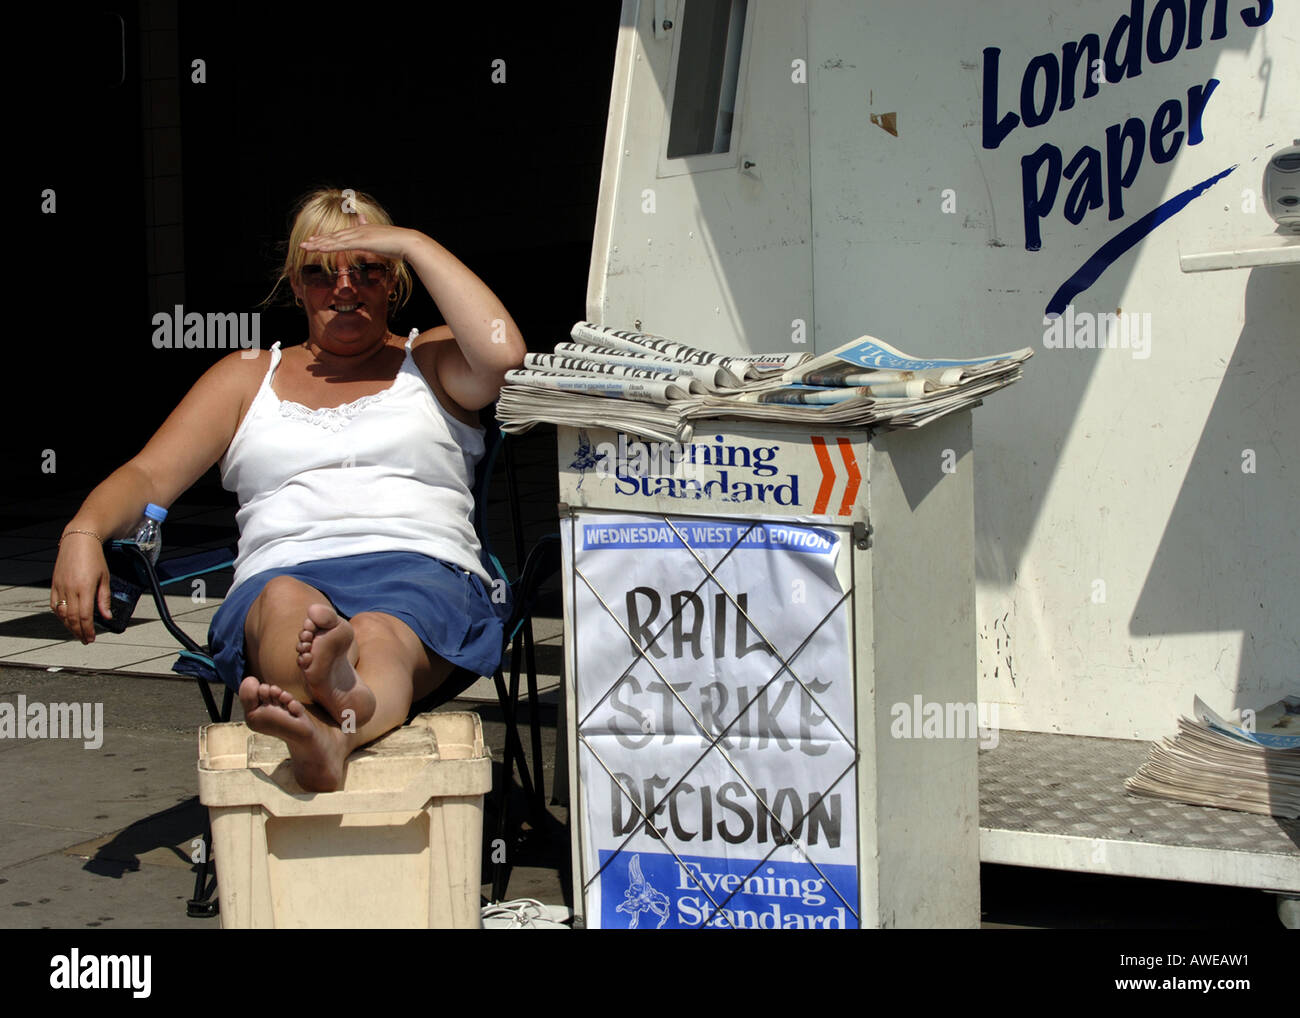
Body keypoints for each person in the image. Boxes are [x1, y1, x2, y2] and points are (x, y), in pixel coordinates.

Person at [50, 187, 526, 791]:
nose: (344, 288)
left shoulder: (430, 358)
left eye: (368, 270)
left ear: (395, 281)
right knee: (284, 603)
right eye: (321, 274)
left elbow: (504, 353)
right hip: (286, 567)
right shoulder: (247, 375)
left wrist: (412, 240)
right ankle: (335, 711)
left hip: (419, 567)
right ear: (295, 285)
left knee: (381, 629)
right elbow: (148, 476)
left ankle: (334, 718)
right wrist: (83, 531)